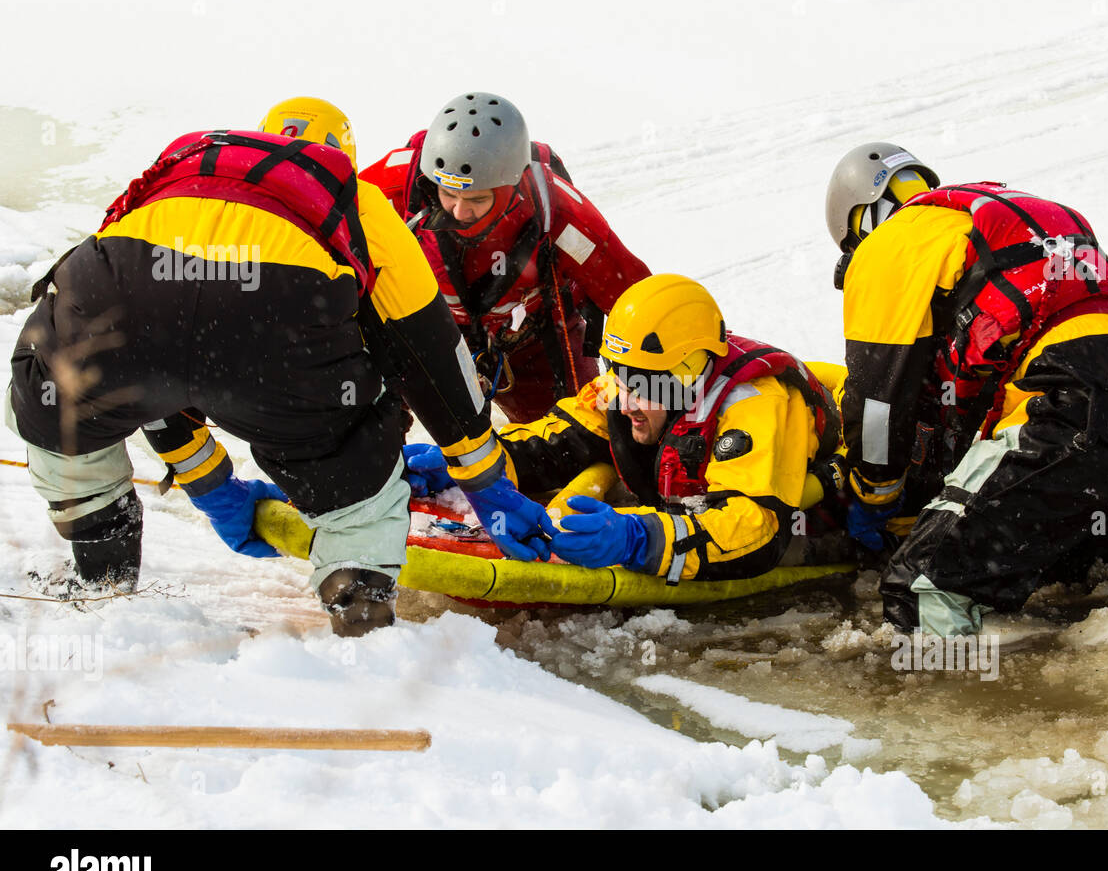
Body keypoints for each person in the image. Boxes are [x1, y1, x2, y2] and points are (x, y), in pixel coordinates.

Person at [6, 97, 555, 637]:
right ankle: (362, 619)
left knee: (69, 407)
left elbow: (147, 346)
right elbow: (427, 349)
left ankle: (102, 582)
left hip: (115, 304)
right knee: (354, 476)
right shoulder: (356, 198)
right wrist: (483, 479)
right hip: (277, 320)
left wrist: (213, 487)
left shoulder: (180, 167)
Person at [824, 141, 1108, 636]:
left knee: (920, 587)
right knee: (1052, 561)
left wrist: (875, 496)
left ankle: (978, 706)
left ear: (859, 221)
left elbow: (878, 403)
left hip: (1072, 401)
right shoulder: (994, 218)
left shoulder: (892, 244)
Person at [407, 274, 844, 582]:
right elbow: (557, 441)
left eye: (643, 385)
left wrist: (639, 539)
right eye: (619, 375)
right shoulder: (638, 380)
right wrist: (474, 465)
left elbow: (754, 529)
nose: (626, 398)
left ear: (686, 376)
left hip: (808, 516)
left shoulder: (758, 405)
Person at [359, 92, 650, 423]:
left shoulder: (558, 213)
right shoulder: (389, 188)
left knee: (574, 436)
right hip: (420, 338)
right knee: (361, 426)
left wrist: (684, 381)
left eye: (477, 199)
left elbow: (637, 299)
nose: (458, 210)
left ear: (510, 184)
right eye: (448, 193)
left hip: (530, 345)